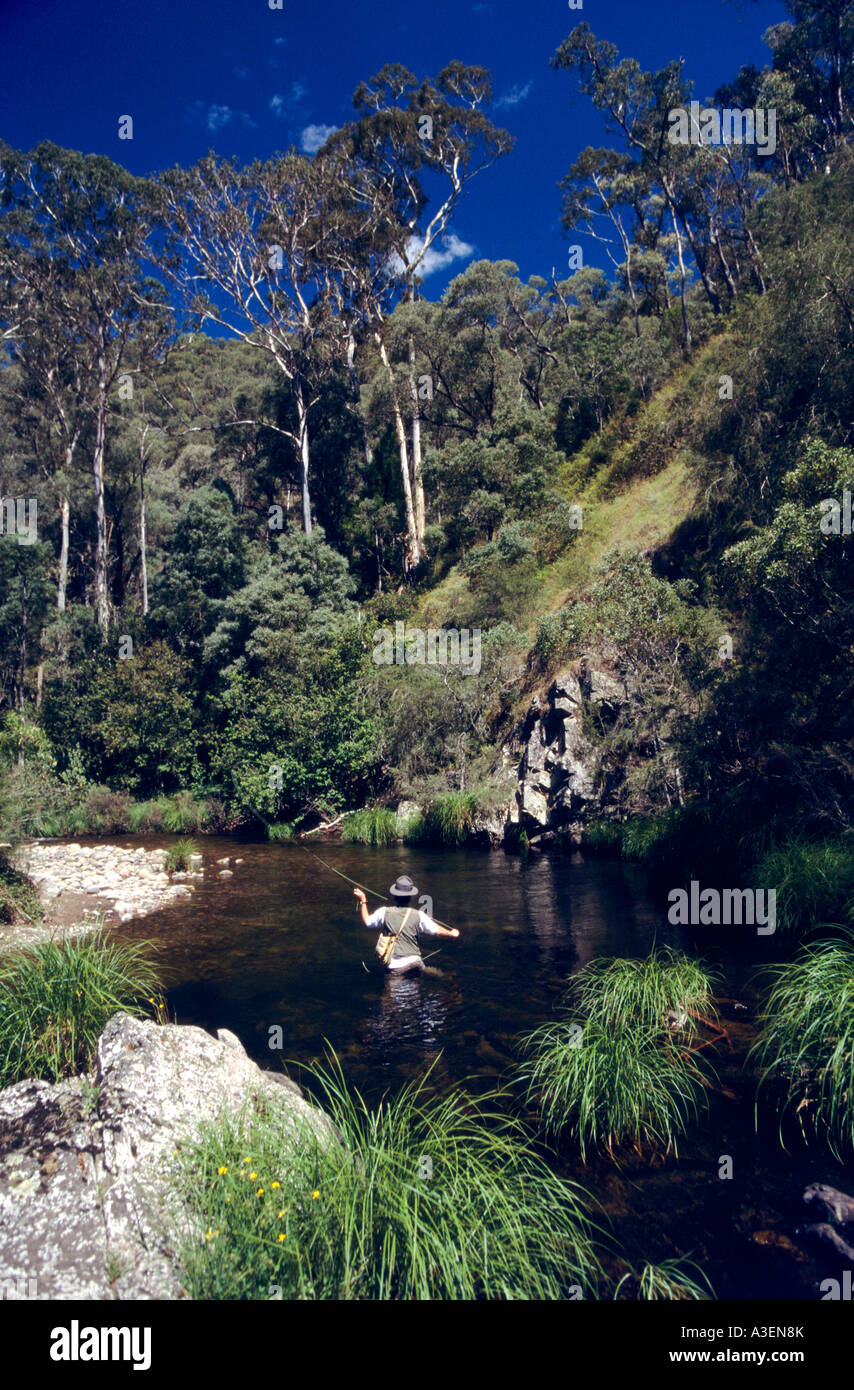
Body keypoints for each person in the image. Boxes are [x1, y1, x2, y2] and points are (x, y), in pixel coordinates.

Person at [354, 874, 459, 973]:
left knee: (392, 991)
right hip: (416, 963)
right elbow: (437, 931)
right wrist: (451, 933)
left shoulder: (384, 912)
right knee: (427, 976)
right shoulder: (419, 915)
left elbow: (367, 922)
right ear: (410, 897)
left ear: (394, 895)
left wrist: (363, 901)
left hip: (396, 967)